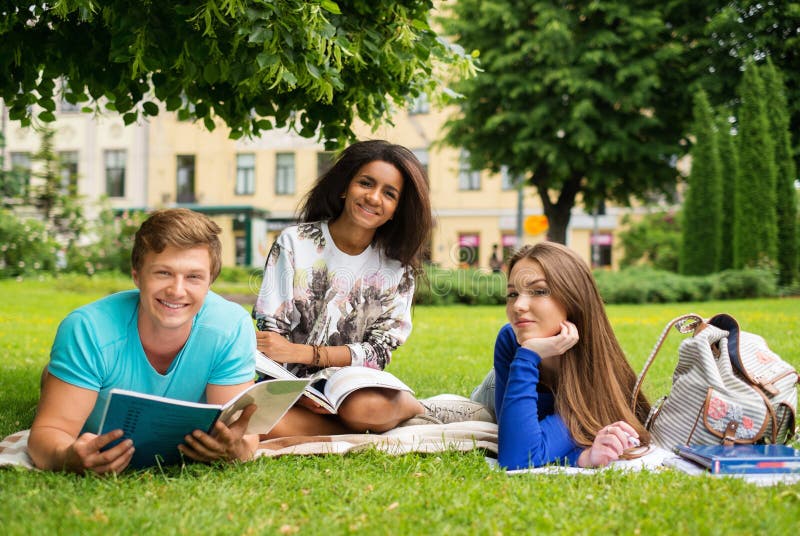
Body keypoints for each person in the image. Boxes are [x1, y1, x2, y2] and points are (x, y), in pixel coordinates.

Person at [253, 140, 491, 436]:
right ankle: (377, 424)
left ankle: (416, 410)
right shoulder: (295, 243)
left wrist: (305, 354)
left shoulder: (397, 268)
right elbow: (271, 336)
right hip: (289, 386)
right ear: (345, 187)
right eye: (366, 183)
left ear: (396, 210)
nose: (374, 197)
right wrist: (298, 388)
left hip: (353, 390)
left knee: (363, 409)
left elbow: (377, 351)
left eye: (389, 194)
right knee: (259, 423)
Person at [28, 208, 259, 473]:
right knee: (63, 386)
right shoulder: (87, 329)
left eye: (194, 277)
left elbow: (243, 435)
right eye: (163, 273)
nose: (177, 290)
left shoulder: (230, 327)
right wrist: (67, 458)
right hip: (94, 386)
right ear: (137, 275)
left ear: (210, 282)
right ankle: (56, 378)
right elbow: (48, 433)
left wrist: (235, 450)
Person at [470, 242, 651, 469]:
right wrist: (528, 355)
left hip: (534, 400)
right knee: (467, 411)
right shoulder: (510, 340)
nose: (518, 306)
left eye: (539, 291)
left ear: (573, 298)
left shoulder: (595, 370)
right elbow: (516, 455)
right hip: (496, 388)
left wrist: (583, 457)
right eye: (512, 294)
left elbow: (522, 455)